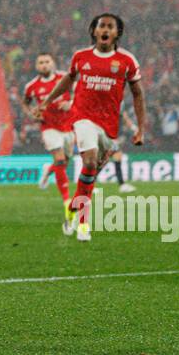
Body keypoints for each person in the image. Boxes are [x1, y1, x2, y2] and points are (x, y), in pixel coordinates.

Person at [42, 14, 146, 242]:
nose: (106, 30)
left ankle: (71, 212)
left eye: (111, 26)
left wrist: (140, 128)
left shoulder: (127, 61)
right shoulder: (81, 57)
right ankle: (83, 223)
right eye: (102, 26)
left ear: (117, 33)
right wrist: (49, 99)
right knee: (89, 162)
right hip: (83, 117)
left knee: (90, 175)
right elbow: (69, 79)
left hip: (109, 126)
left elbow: (137, 94)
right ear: (94, 31)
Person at [24, 52, 76, 223]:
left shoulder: (65, 78)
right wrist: (31, 114)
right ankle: (67, 202)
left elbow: (80, 93)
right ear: (36, 66)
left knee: (64, 161)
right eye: (41, 62)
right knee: (60, 160)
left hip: (69, 126)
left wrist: (71, 104)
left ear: (53, 63)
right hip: (49, 127)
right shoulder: (32, 86)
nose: (44, 65)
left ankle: (49, 170)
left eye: (47, 61)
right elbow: (26, 102)